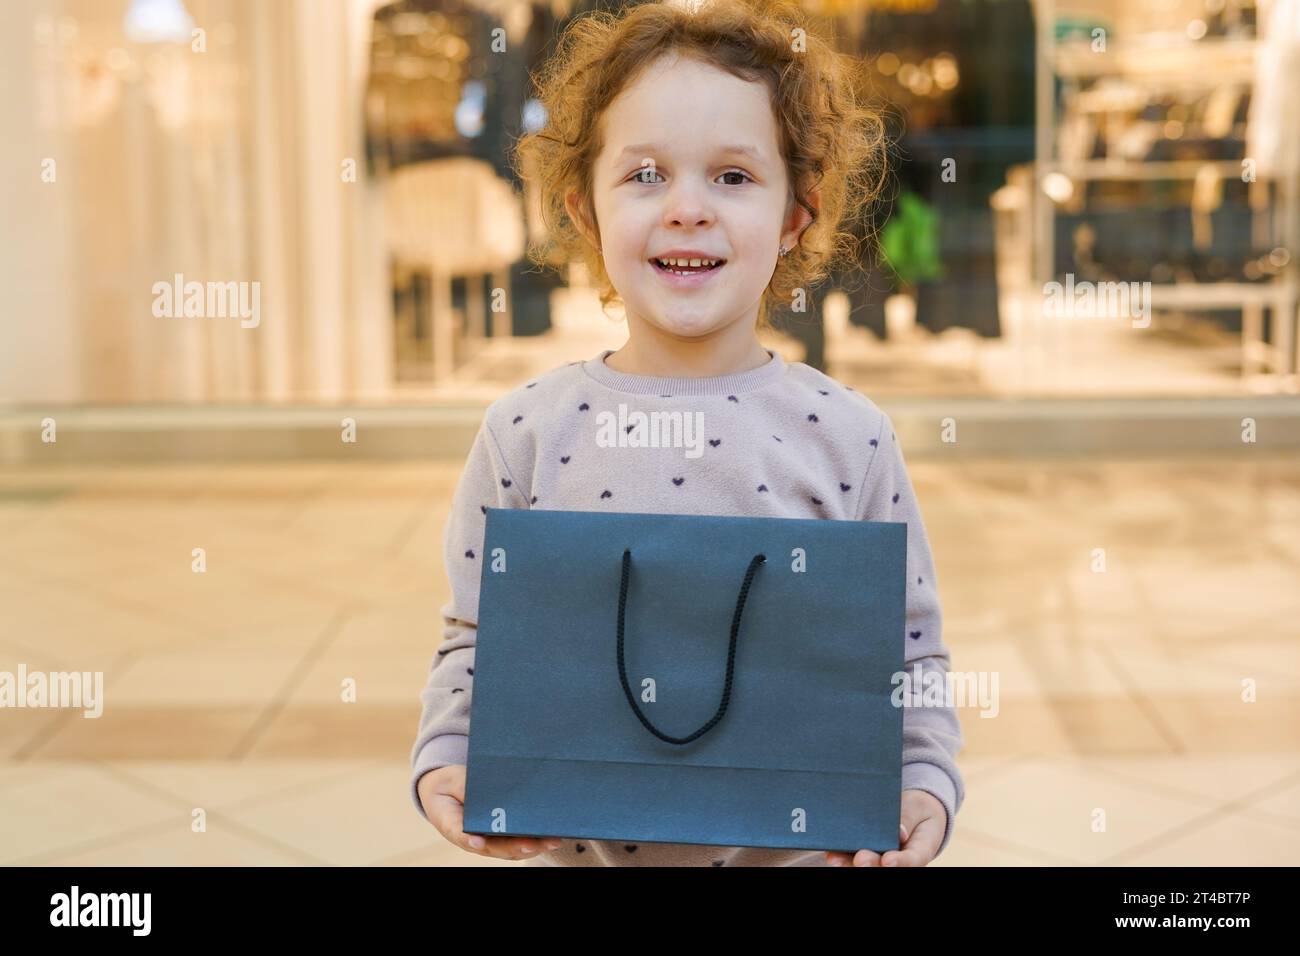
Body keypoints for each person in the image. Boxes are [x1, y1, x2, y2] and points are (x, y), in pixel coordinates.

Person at [411, 0, 964, 866]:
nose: (688, 209)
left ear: (796, 216)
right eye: (645, 175)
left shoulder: (848, 437)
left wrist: (922, 776)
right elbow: (478, 635)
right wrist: (449, 751)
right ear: (584, 213)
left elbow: (909, 650)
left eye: (733, 177)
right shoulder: (524, 432)